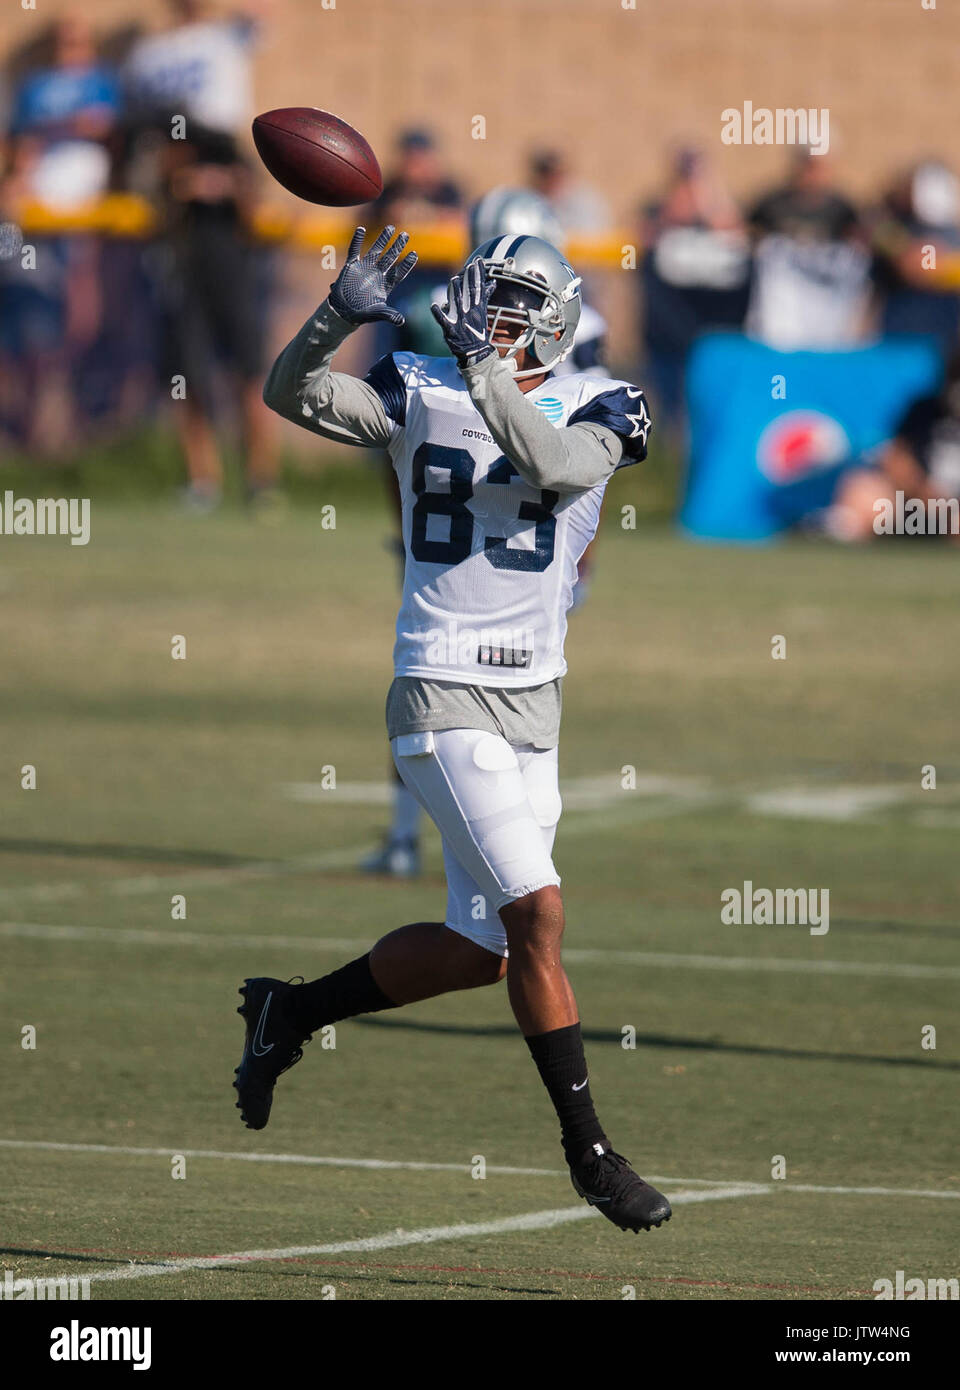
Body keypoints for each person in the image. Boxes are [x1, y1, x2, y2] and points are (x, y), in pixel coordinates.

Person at [238, 224, 671, 1235]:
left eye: (521, 308)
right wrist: (333, 314)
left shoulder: (603, 402)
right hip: (438, 690)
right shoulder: (418, 382)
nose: (501, 322)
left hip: (536, 706)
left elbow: (554, 463)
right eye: (493, 303)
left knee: (484, 947)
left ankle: (288, 1011)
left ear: (560, 320)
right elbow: (288, 395)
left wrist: (483, 368)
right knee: (540, 912)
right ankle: (592, 1156)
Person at [121, 1, 279, 509]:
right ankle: (202, 480)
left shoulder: (222, 146)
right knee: (185, 373)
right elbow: (140, 193)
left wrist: (221, 186)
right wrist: (172, 189)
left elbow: (255, 209)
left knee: (249, 370)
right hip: (178, 264)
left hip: (228, 262)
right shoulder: (150, 153)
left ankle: (260, 478)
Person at [640, 146, 750, 438]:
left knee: (708, 410)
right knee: (668, 410)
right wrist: (673, 213)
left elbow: (740, 237)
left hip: (711, 333)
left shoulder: (722, 212)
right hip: (667, 332)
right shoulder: (656, 210)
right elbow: (642, 239)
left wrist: (710, 205)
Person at [746, 148, 872, 349]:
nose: (812, 175)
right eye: (809, 166)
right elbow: (749, 236)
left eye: (819, 167)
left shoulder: (843, 209)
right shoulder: (771, 204)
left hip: (829, 311)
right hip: (782, 313)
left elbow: (863, 244)